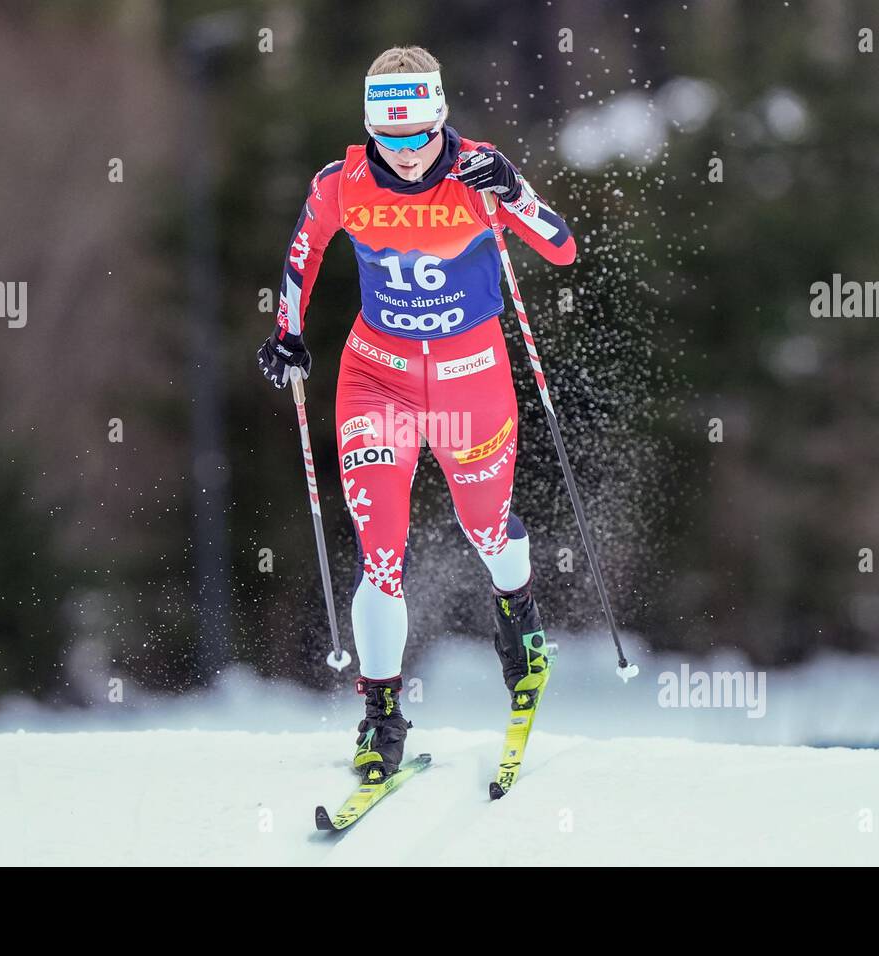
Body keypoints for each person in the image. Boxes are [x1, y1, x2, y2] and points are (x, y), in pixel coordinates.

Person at [257, 45, 576, 782]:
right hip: (379, 379)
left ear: (441, 119)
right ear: (371, 130)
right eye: (388, 139)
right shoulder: (343, 183)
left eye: (418, 137)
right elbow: (302, 255)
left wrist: (518, 196)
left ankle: (519, 617)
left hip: (471, 378)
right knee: (382, 552)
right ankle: (379, 719)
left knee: (487, 528)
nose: (404, 155)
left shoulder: (481, 173)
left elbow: (559, 249)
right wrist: (288, 334)